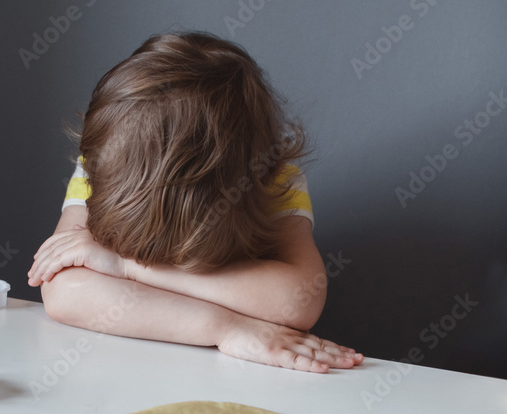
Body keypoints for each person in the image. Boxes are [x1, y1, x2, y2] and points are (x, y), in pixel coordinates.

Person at [28, 31, 362, 373]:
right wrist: (226, 327)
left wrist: (124, 267)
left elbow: (300, 299)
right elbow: (62, 292)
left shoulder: (273, 182)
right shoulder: (98, 168)